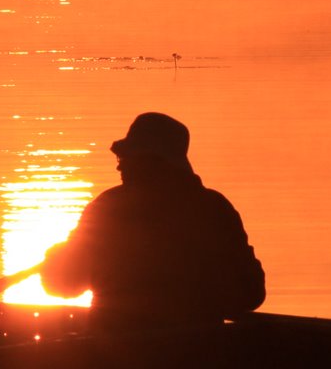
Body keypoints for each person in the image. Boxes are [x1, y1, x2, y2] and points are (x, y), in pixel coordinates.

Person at [43, 113, 265, 329]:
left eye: (126, 158)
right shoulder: (215, 208)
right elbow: (251, 294)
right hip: (200, 354)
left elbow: (64, 284)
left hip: (114, 354)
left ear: (152, 161)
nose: (119, 166)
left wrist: (54, 258)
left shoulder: (107, 208)